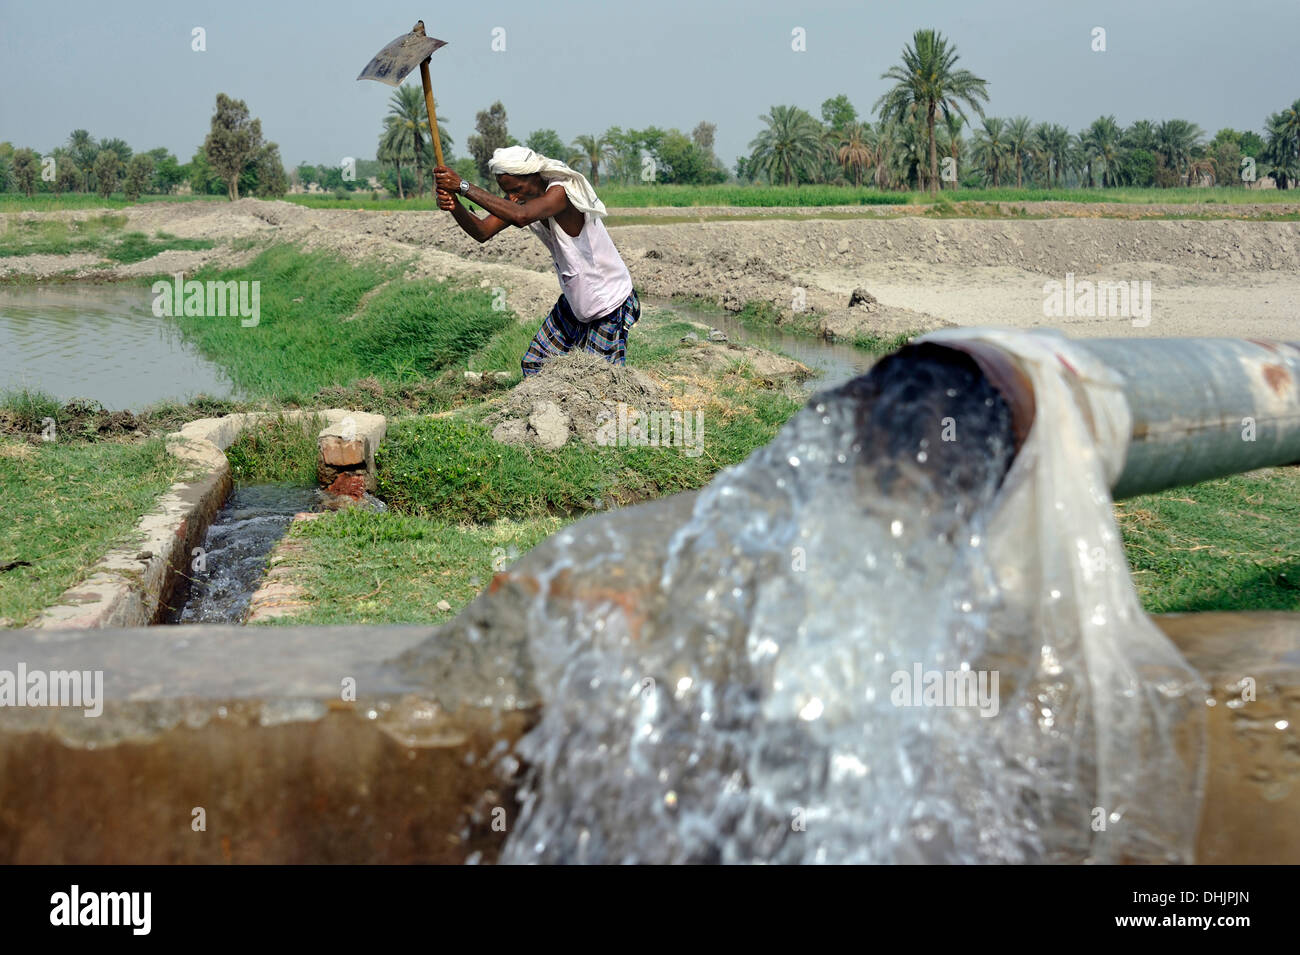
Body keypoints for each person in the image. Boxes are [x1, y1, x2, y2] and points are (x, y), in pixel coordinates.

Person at [434, 147, 640, 376]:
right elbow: (482, 231)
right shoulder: (521, 199)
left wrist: (463, 187)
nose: (513, 197)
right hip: (577, 300)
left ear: (535, 176)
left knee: (598, 378)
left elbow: (521, 217)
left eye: (516, 189)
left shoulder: (560, 193)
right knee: (536, 364)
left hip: (608, 300)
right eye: (507, 192)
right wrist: (455, 205)